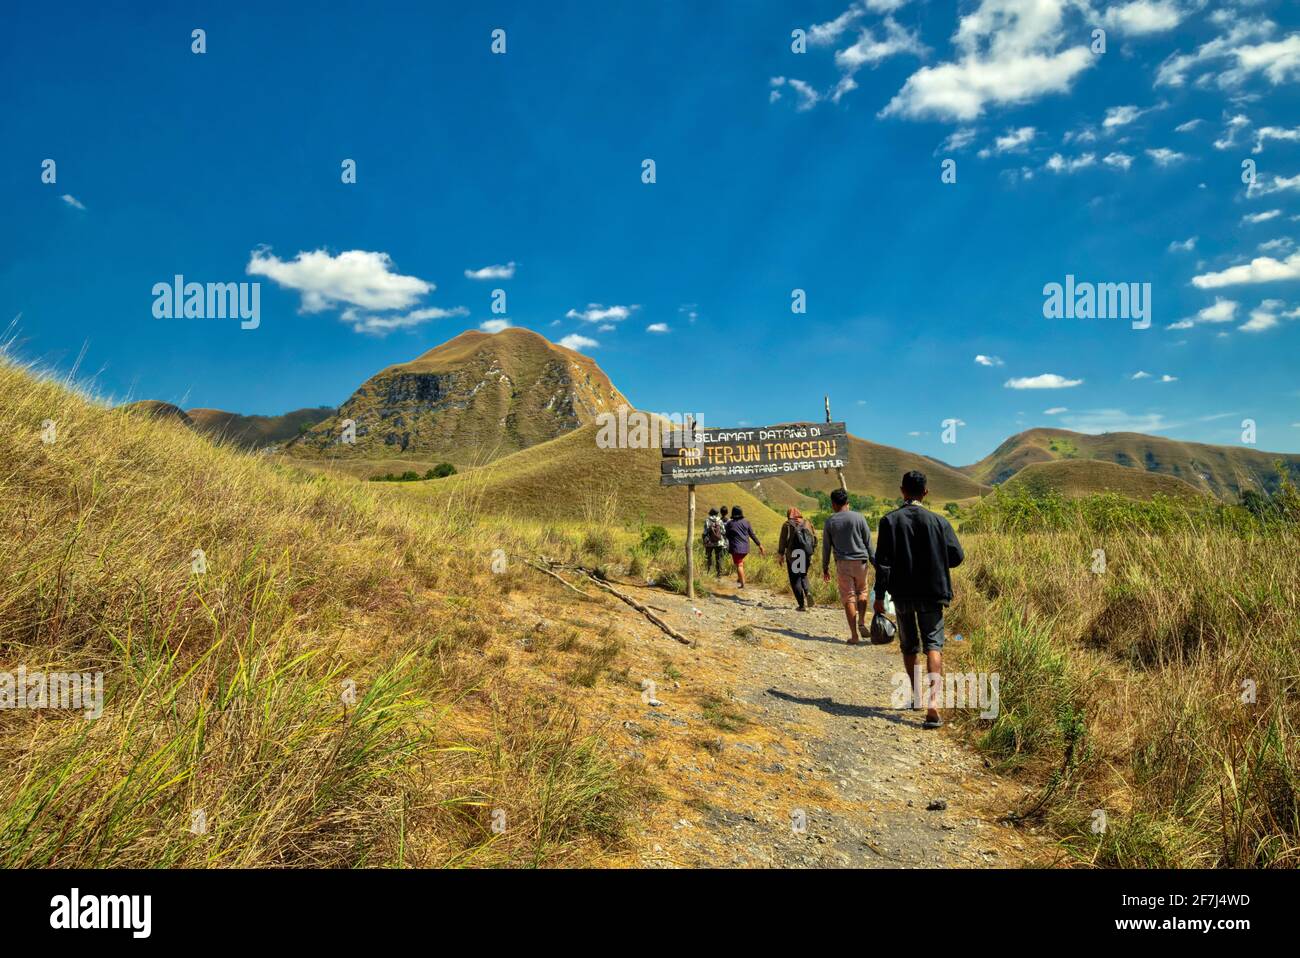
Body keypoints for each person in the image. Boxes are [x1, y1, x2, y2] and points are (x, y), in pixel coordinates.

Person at [873, 469, 965, 730]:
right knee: (934, 645)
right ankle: (933, 704)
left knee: (909, 644)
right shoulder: (939, 522)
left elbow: (883, 565)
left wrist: (879, 596)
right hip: (933, 591)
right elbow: (957, 556)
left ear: (902, 490)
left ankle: (916, 697)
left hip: (902, 593)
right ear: (925, 492)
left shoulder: (889, 521)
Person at [820, 488, 874, 644]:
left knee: (849, 596)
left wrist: (825, 567)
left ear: (833, 504)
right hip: (862, 561)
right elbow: (868, 542)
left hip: (843, 563)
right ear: (847, 503)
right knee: (862, 591)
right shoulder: (860, 518)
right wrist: (875, 561)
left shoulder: (830, 521)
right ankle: (862, 621)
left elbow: (826, 547)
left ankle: (854, 635)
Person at [777, 508, 817, 611]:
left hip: (794, 554)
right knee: (803, 575)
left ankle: (801, 605)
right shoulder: (807, 522)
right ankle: (808, 591)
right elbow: (815, 539)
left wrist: (781, 554)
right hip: (806, 554)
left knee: (795, 579)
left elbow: (782, 541)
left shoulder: (787, 525)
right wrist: (811, 552)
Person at [724, 505, 764, 588]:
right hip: (746, 548)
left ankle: (742, 584)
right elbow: (752, 534)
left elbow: (726, 535)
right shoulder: (746, 522)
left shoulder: (730, 523)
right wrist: (759, 544)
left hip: (736, 548)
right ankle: (740, 578)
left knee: (739, 565)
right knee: (740, 562)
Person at [702, 508, 727, 576]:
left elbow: (705, 532)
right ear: (717, 514)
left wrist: (704, 541)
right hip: (719, 542)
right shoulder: (720, 521)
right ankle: (719, 573)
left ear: (710, 513)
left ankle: (709, 572)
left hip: (709, 542)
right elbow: (724, 531)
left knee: (709, 557)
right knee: (719, 558)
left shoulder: (707, 520)